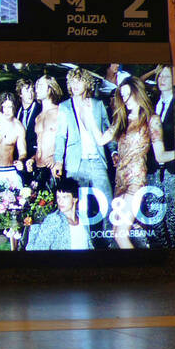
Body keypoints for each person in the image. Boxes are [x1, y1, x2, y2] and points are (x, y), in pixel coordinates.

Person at [101, 77, 174, 249]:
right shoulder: (122, 120)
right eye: (122, 94)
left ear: (137, 93)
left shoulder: (151, 119)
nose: (124, 98)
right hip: (120, 181)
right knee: (116, 233)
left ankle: (139, 271)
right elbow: (101, 139)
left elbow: (161, 155)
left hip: (136, 180)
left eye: (128, 94)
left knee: (121, 235)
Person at [52, 68, 114, 248]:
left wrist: (114, 152)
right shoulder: (64, 106)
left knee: (108, 204)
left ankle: (110, 243)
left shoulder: (97, 104)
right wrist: (58, 160)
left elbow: (106, 130)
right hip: (75, 163)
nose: (75, 85)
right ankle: (85, 243)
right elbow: (61, 136)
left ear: (86, 83)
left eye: (79, 81)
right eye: (72, 81)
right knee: (80, 206)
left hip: (96, 162)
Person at [147, 66, 175, 248]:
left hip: (172, 169)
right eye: (160, 76)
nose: (162, 79)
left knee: (172, 217)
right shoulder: (153, 104)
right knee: (155, 218)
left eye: (167, 76)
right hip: (153, 170)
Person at [24, 177, 93, 251]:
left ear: (75, 199)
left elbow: (89, 245)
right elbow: (37, 248)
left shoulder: (83, 218)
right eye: (58, 197)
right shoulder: (55, 219)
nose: (60, 201)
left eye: (64, 197)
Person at [0, 91, 28, 191]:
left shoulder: (19, 127)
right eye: (4, 107)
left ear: (15, 106)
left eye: (10, 107)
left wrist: (21, 160)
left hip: (9, 171)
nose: (7, 110)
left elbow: (23, 152)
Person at [30, 75, 65, 191]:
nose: (36, 90)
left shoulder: (60, 112)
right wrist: (32, 159)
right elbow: (40, 143)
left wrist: (57, 158)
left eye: (40, 86)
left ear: (50, 89)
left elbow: (67, 139)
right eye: (36, 86)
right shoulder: (38, 117)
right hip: (38, 168)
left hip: (53, 168)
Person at [17, 78, 41, 159]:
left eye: (32, 91)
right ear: (20, 93)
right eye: (27, 91)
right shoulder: (16, 111)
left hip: (36, 155)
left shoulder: (40, 109)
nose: (30, 94)